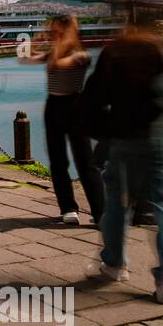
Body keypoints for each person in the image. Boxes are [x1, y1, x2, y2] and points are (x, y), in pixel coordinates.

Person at [81, 2, 163, 304]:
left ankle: (114, 264)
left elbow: (92, 98)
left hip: (126, 139)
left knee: (117, 202)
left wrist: (102, 133)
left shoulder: (117, 51)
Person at [22, 15, 103, 225]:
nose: (54, 35)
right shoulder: (53, 52)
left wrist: (61, 43)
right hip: (54, 105)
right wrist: (35, 41)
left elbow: (58, 63)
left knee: (85, 161)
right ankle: (68, 207)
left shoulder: (82, 56)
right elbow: (24, 58)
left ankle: (100, 212)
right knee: (58, 161)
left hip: (75, 106)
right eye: (53, 32)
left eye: (58, 32)